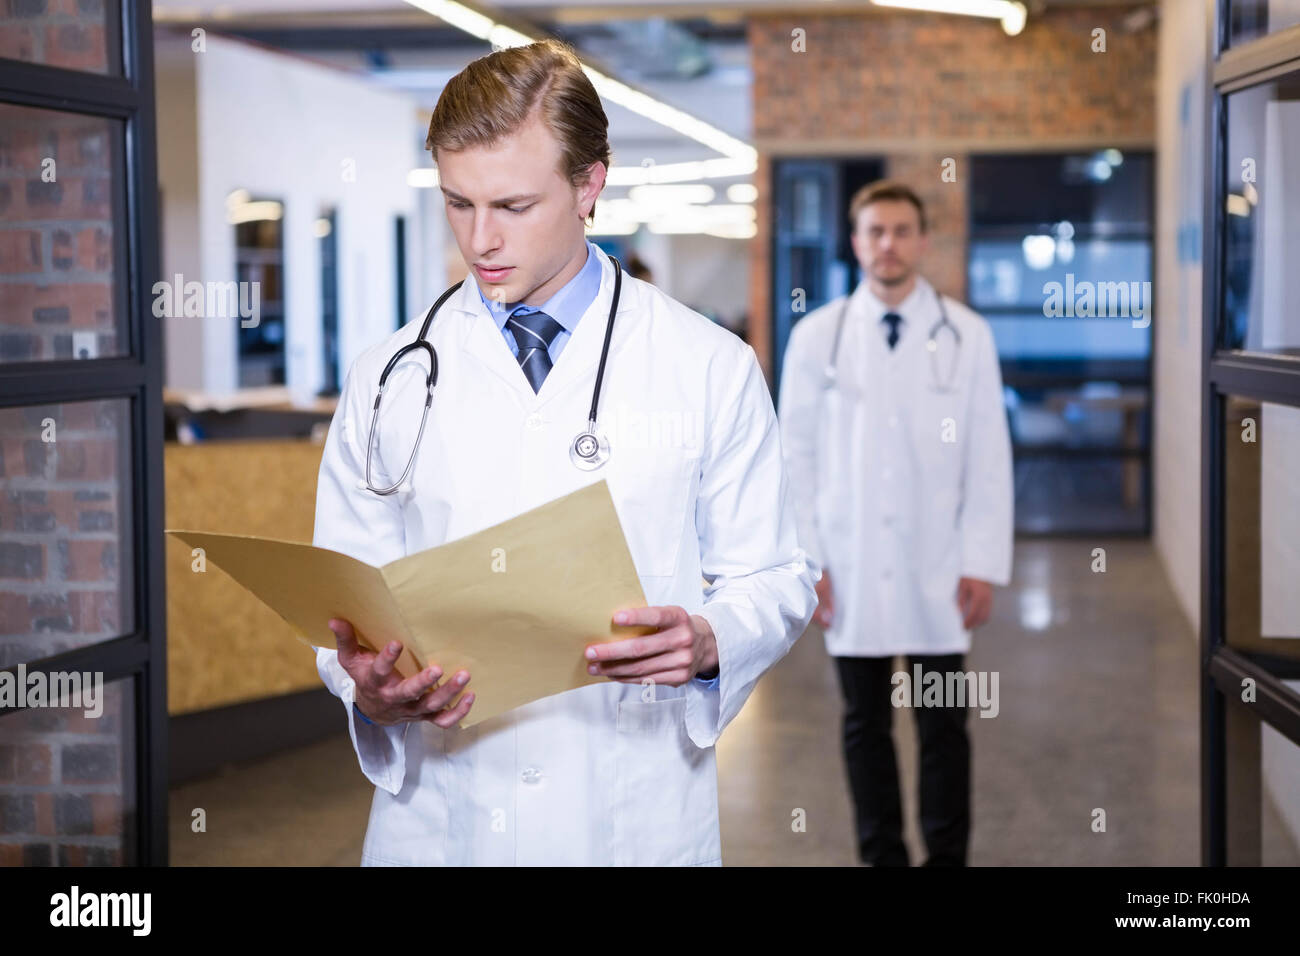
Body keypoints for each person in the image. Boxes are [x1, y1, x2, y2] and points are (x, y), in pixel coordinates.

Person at [311, 39, 816, 866]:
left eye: (513, 205)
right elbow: (345, 587)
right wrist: (366, 686)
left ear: (590, 185)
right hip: (443, 817)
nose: (481, 240)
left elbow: (776, 575)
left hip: (631, 811)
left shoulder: (705, 364)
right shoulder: (388, 375)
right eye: (458, 203)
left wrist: (709, 638)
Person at [778, 180, 1013, 866]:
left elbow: (989, 454)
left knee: (943, 725)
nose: (888, 244)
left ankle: (947, 857)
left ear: (923, 241)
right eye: (875, 231)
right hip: (847, 566)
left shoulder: (966, 334)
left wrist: (981, 561)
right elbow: (795, 456)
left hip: (940, 566)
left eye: (902, 230)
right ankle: (880, 855)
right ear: (856, 243)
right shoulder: (816, 336)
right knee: (864, 724)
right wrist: (808, 562)